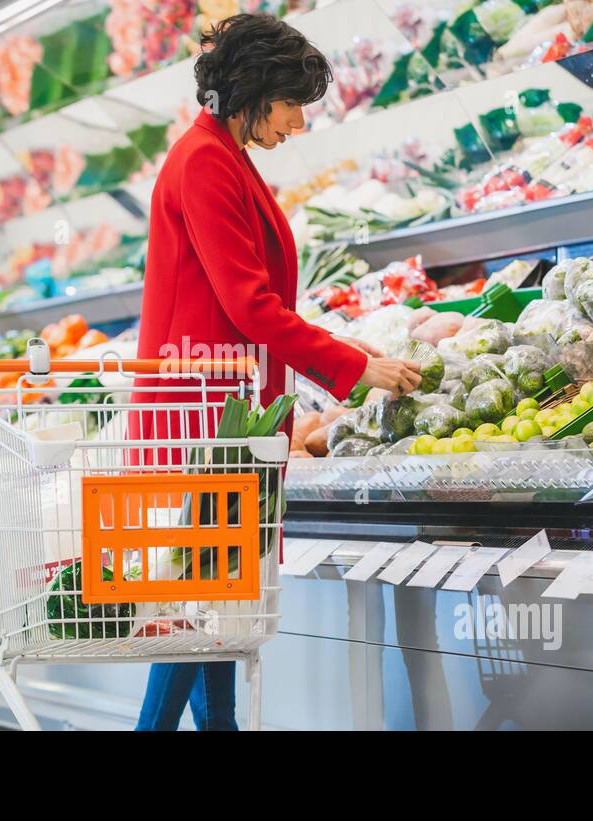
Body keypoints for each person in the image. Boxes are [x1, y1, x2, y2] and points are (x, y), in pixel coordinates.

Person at [131, 13, 422, 731]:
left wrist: (341, 355)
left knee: (212, 599)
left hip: (224, 411)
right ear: (254, 89)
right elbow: (250, 304)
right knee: (202, 596)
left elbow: (253, 302)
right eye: (291, 103)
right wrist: (353, 366)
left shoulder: (221, 155)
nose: (297, 122)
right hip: (201, 414)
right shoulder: (202, 161)